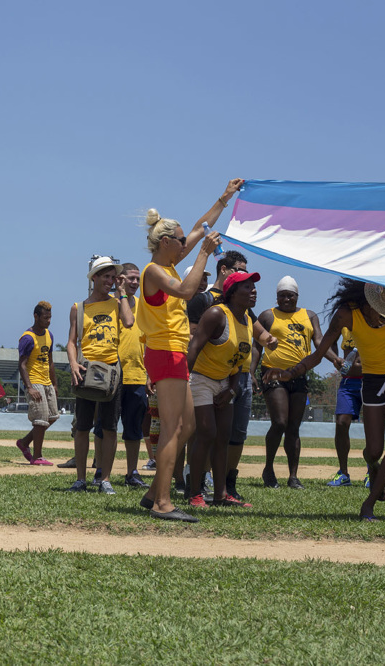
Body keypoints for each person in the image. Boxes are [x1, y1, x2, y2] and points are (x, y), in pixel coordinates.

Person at [264, 279, 385, 521]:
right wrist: (290, 372)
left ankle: (369, 504)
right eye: (383, 313)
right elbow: (319, 351)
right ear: (370, 303)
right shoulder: (346, 315)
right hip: (374, 380)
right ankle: (373, 467)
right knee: (373, 451)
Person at [137, 179, 239, 521]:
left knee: (188, 425)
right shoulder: (155, 271)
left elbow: (199, 227)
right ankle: (162, 502)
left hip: (174, 352)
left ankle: (155, 491)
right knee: (172, 427)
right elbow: (185, 291)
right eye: (180, 241)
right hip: (165, 351)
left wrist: (223, 200)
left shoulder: (166, 263)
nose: (186, 244)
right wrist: (204, 253)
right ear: (166, 242)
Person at [187, 251, 275, 501]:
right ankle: (194, 493)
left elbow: (240, 361)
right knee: (206, 433)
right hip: (201, 378)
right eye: (247, 287)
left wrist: (232, 389)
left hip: (226, 381)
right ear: (233, 292)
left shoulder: (247, 319)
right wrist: (184, 381)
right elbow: (193, 348)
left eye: (254, 286)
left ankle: (221, 494)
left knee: (223, 437)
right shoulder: (217, 314)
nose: (254, 291)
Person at [256, 276, 334, 490]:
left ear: (297, 296)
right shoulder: (267, 316)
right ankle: (269, 469)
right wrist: (251, 373)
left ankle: (293, 476)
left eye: (290, 295)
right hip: (272, 375)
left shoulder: (309, 316)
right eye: (282, 295)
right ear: (276, 297)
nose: (286, 299)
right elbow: (257, 346)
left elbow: (319, 341)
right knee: (280, 422)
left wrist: (335, 359)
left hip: (299, 375)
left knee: (293, 428)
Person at [65, 255, 134, 495]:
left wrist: (122, 291)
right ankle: (81, 479)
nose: (110, 280)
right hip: (86, 369)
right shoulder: (78, 307)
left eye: (113, 277)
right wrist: (73, 363)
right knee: (82, 427)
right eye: (106, 276)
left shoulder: (117, 303)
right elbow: (71, 342)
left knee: (110, 428)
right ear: (94, 278)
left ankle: (105, 478)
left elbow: (128, 321)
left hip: (112, 371)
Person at [93, 263, 150, 488]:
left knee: (134, 429)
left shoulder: (144, 306)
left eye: (138, 279)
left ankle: (132, 473)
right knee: (104, 426)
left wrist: (149, 374)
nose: (135, 283)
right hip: (111, 375)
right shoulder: (108, 305)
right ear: (119, 280)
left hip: (137, 374)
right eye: (130, 279)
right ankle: (99, 470)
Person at [15, 301, 58, 466]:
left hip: (47, 382)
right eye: (45, 317)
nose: (49, 321)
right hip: (34, 381)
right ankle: (37, 456)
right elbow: (22, 365)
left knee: (53, 416)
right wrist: (29, 387)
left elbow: (51, 361)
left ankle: (25, 442)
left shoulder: (49, 335)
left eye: (50, 317)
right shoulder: (27, 338)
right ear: (36, 316)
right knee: (40, 420)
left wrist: (55, 384)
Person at [327, 327, 362, 486]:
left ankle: (372, 472)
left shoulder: (376, 316)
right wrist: (336, 359)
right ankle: (343, 473)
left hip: (372, 380)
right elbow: (327, 342)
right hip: (348, 380)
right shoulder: (344, 318)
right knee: (341, 422)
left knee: (372, 426)